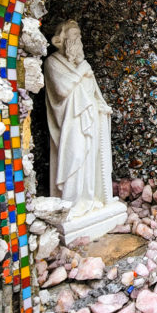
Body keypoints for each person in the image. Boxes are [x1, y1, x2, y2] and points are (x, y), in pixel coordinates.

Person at [44, 20, 113, 218]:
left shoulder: (84, 65)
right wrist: (81, 71)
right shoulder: (53, 63)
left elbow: (95, 94)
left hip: (89, 122)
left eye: (79, 36)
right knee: (74, 158)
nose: (79, 40)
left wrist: (102, 107)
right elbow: (62, 89)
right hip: (70, 125)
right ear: (61, 40)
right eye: (74, 36)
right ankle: (71, 202)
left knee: (89, 162)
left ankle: (89, 200)